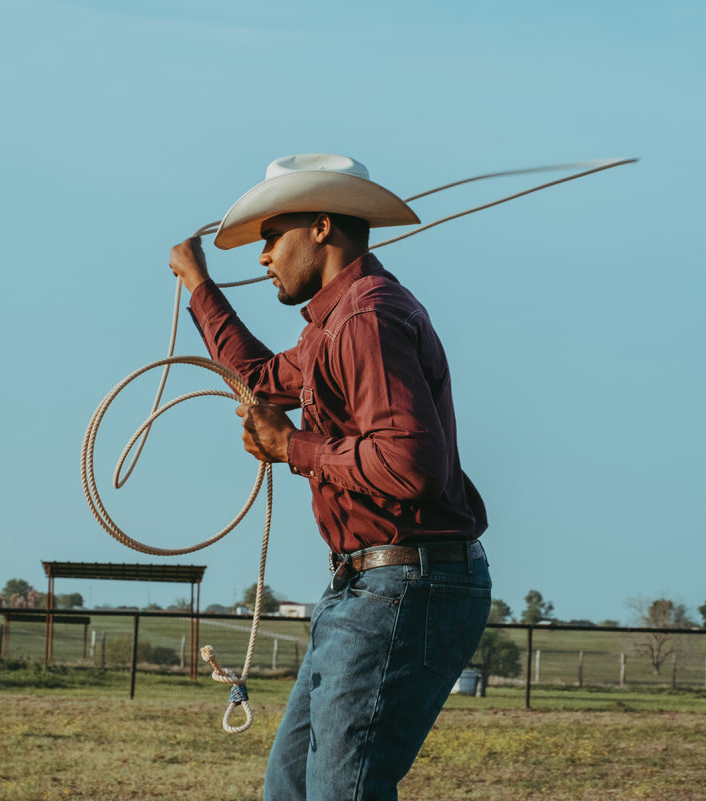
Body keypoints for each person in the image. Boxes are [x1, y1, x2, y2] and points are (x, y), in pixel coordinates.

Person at [168, 153, 490, 801]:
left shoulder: (366, 320)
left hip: (401, 583)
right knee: (293, 785)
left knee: (339, 789)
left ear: (320, 227)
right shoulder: (334, 327)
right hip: (371, 586)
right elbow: (261, 379)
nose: (261, 257)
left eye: (269, 237)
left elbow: (410, 464)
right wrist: (200, 286)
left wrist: (293, 445)